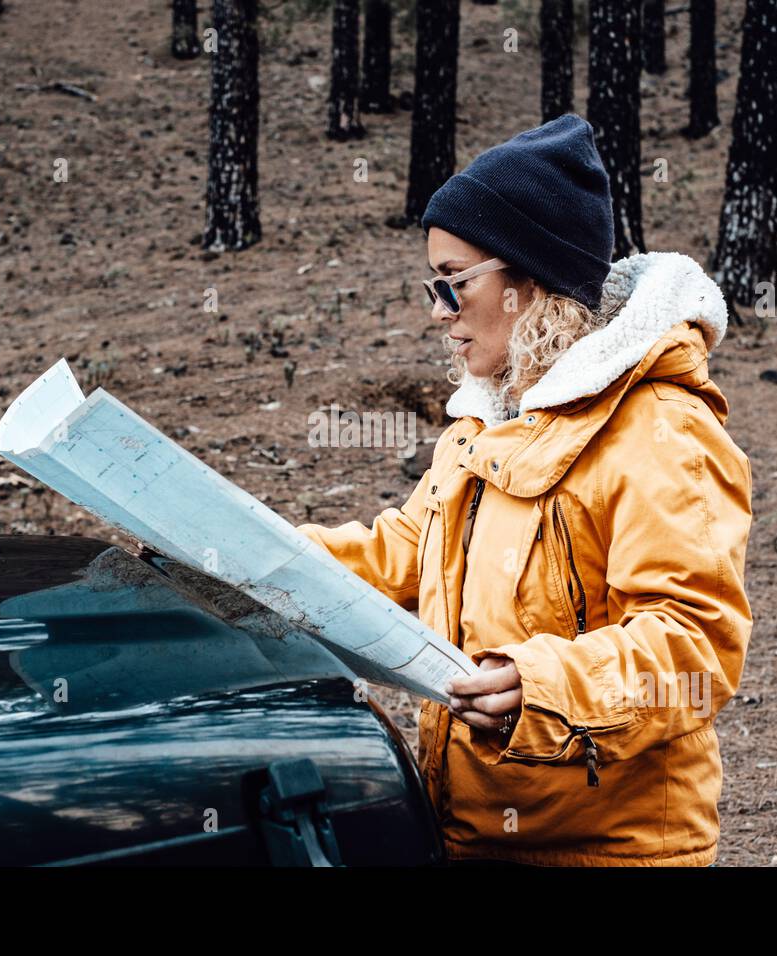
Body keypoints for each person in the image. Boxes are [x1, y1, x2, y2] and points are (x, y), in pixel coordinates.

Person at [296, 114, 753, 866]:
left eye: (453, 285)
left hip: (608, 851)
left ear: (529, 278)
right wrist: (247, 557)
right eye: (431, 287)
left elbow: (695, 647)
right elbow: (406, 552)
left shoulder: (660, 429)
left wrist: (540, 684)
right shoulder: (490, 421)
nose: (438, 315)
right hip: (473, 836)